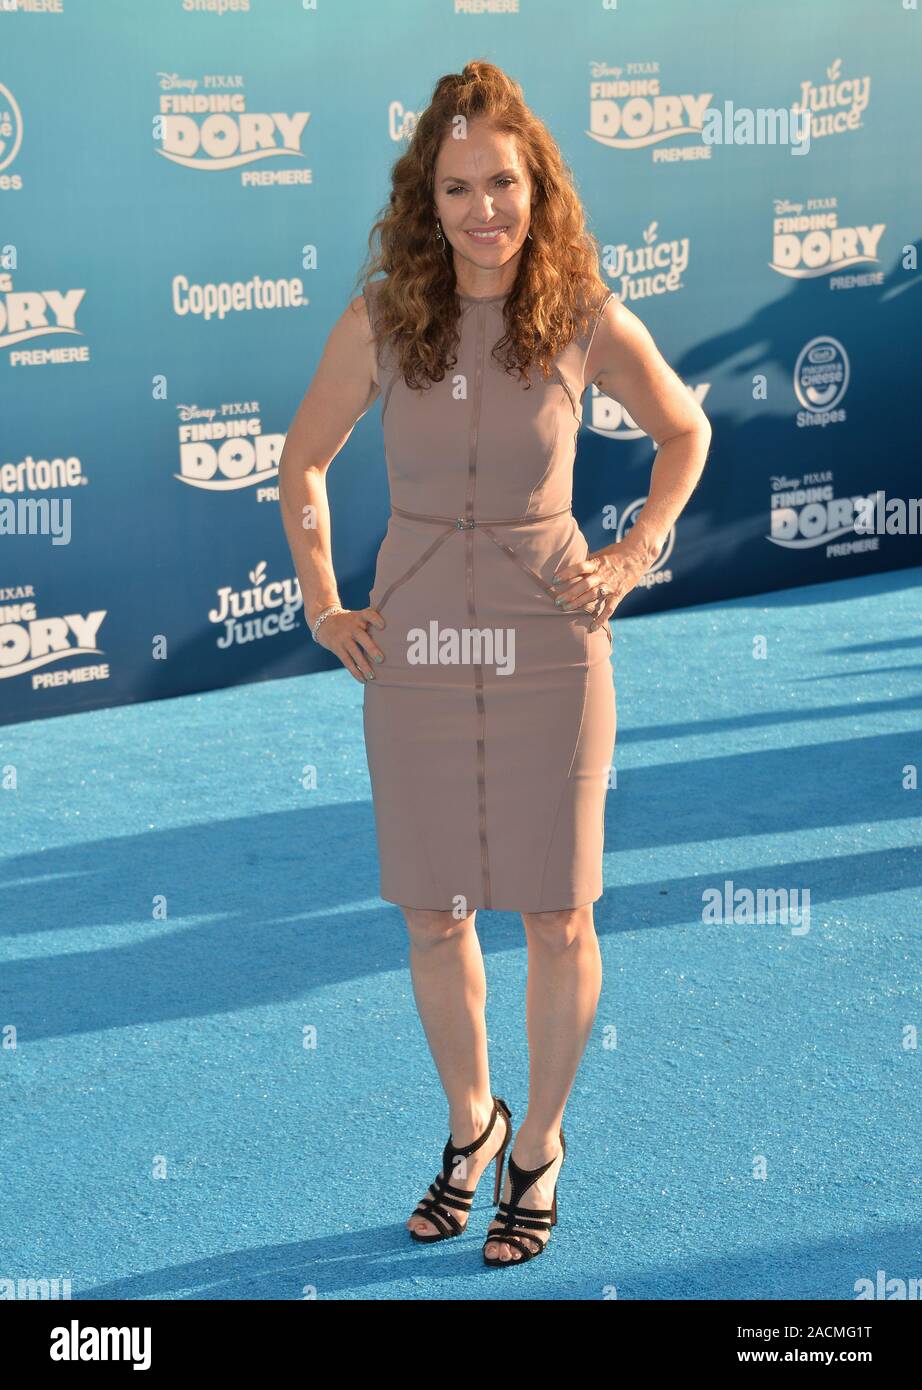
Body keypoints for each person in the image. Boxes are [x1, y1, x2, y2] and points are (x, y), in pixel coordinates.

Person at [278, 61, 710, 1266]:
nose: (483, 209)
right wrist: (325, 605)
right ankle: (473, 1127)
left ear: (538, 187)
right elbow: (300, 462)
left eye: (503, 183)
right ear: (428, 197)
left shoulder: (582, 317)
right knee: (432, 911)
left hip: (548, 643)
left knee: (559, 913)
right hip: (412, 645)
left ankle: (541, 1146)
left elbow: (687, 429)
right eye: (457, 186)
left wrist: (632, 551)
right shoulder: (380, 317)